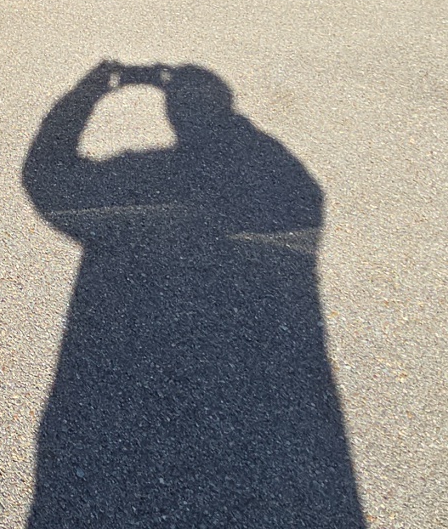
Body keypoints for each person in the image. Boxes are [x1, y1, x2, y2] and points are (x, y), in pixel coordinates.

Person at [21, 61, 364, 528]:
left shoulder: (149, 178)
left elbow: (47, 183)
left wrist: (88, 92)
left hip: (108, 391)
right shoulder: (289, 179)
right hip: (272, 415)